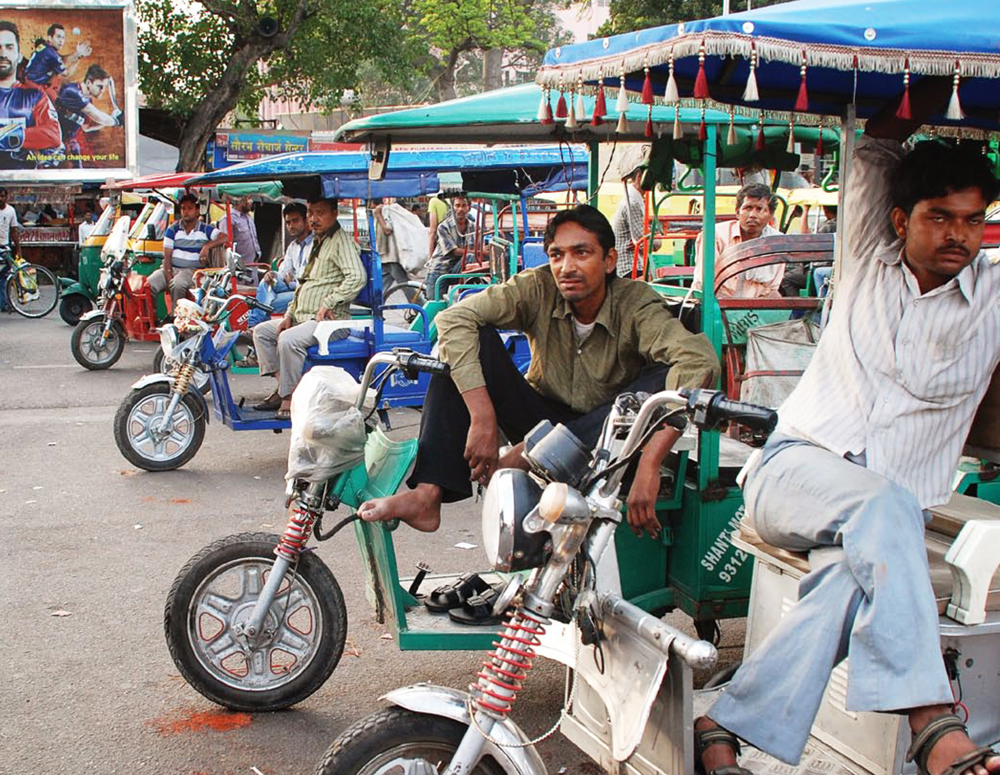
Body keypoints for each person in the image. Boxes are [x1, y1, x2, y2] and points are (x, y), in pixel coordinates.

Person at [694, 81, 1000, 775]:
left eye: (973, 220)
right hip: (794, 475)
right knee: (882, 504)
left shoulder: (994, 298)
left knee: (847, 583)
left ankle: (722, 723)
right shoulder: (866, 257)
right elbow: (880, 144)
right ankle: (931, 716)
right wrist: (940, 70)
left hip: (883, 521)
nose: (958, 234)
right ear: (900, 219)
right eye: (940, 216)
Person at [356, 205, 719, 535]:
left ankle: (531, 455)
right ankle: (426, 496)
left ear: (609, 261)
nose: (567, 267)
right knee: (464, 347)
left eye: (582, 253)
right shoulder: (538, 286)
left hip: (607, 437)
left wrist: (650, 465)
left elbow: (698, 361)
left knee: (652, 384)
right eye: (557, 255)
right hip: (541, 418)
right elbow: (454, 319)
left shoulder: (636, 303)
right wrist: (483, 418)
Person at [252, 196, 367, 420]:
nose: (314, 219)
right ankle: (285, 389)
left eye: (320, 213)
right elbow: (303, 283)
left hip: (331, 323)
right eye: (311, 213)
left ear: (334, 214)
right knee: (262, 332)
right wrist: (288, 315)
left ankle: (289, 397)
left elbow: (357, 277)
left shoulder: (340, 241)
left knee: (288, 340)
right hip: (304, 317)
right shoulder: (318, 241)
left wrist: (330, 302)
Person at [693, 183, 781, 298]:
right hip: (716, 303)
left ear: (770, 215)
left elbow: (772, 287)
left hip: (755, 308)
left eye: (760, 209)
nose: (752, 215)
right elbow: (704, 281)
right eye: (747, 208)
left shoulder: (777, 242)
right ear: (737, 212)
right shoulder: (715, 235)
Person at [0, 21, 62, 170]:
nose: (3, 54)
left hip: (24, 184)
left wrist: (9, 136)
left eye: (9, 47)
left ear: (19, 56)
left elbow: (53, 134)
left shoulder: (34, 95)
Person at [244, 203, 313, 332]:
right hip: (291, 286)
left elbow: (307, 282)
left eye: (295, 221)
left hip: (305, 292)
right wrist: (273, 275)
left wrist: (291, 283)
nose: (291, 226)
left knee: (269, 303)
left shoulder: (316, 245)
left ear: (306, 220)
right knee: (266, 282)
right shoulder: (293, 246)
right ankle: (254, 326)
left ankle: (253, 326)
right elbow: (284, 273)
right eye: (288, 222)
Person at [148, 193, 226, 306]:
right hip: (171, 268)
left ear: (197, 210)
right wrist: (169, 276)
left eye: (190, 208)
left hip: (192, 271)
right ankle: (152, 318)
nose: (186, 212)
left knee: (178, 284)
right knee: (149, 284)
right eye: (183, 208)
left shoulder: (205, 229)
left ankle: (176, 317)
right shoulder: (173, 229)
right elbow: (167, 257)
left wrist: (207, 246)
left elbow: (224, 237)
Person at [54, 64, 119, 166]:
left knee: (79, 176)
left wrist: (111, 119)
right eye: (100, 86)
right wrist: (115, 120)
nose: (102, 91)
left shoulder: (88, 99)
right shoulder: (72, 91)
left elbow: (87, 127)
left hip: (69, 143)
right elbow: (97, 116)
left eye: (104, 87)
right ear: (89, 83)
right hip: (53, 142)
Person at [612, 148, 660, 278]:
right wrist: (656, 240)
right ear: (639, 176)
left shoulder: (636, 201)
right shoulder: (633, 203)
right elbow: (648, 244)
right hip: (630, 268)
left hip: (634, 265)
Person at [374, 199, 425, 303]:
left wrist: (378, 215)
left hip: (391, 257)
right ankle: (375, 306)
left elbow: (387, 229)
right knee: (381, 285)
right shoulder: (381, 211)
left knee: (403, 284)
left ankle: (420, 307)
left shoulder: (384, 211)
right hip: (385, 257)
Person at [424, 194, 474, 300]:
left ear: (469, 207)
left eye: (464, 205)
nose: (460, 209)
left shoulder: (474, 227)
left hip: (455, 270)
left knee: (471, 257)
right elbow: (454, 251)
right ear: (453, 207)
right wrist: (481, 252)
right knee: (435, 308)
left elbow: (475, 251)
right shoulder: (443, 227)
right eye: (457, 205)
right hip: (439, 271)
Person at [23, 24, 91, 98]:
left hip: (29, 81)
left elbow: (60, 59)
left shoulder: (46, 47)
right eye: (58, 37)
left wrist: (77, 53)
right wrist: (79, 57)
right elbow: (66, 74)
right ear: (50, 38)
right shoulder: (51, 54)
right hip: (33, 88)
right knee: (53, 106)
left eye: (63, 38)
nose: (61, 40)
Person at [217, 195, 261, 272]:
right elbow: (225, 245)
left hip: (253, 266)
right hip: (237, 269)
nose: (251, 201)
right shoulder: (228, 219)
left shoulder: (248, 217)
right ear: (240, 200)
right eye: (249, 199)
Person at [426, 193, 449, 257]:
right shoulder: (451, 201)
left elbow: (432, 231)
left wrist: (430, 257)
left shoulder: (434, 201)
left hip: (442, 246)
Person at [0, 187, 20, 254]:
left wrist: (18, 250)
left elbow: (14, 231)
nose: (0, 199)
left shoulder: (10, 210)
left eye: (2, 196)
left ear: (6, 197)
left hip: (5, 246)